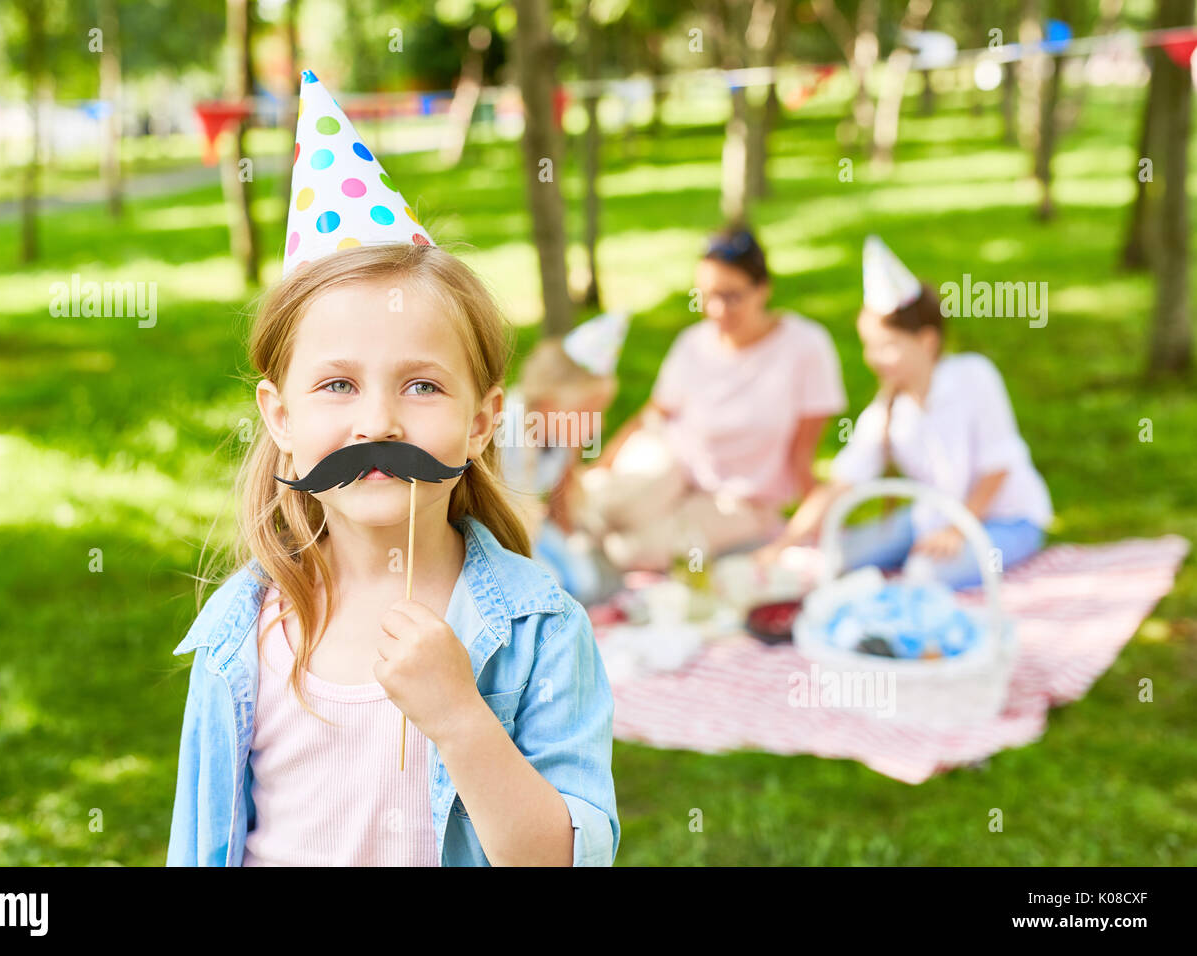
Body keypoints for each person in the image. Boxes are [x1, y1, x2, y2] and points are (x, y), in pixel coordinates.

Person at [166, 70, 619, 867]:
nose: (377, 422)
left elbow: (564, 858)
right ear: (282, 419)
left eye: (422, 385)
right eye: (338, 385)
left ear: (481, 423)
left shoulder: (540, 631)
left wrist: (458, 715)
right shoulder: (243, 642)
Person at [753, 235, 1052, 589]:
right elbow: (842, 483)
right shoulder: (889, 408)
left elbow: (997, 466)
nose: (873, 359)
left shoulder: (974, 376)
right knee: (837, 557)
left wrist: (958, 530)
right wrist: (784, 542)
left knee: (926, 573)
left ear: (927, 341)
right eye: (869, 347)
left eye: (887, 347)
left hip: (1005, 518)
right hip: (934, 514)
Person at [577, 224, 847, 572]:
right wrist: (599, 467)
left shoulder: (806, 347)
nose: (718, 309)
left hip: (740, 501)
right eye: (707, 295)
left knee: (633, 550)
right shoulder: (693, 343)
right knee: (604, 502)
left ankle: (582, 565)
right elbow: (651, 415)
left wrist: (808, 530)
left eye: (732, 296)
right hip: (674, 459)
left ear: (763, 289)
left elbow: (802, 456)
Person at [498, 336, 623, 605]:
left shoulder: (560, 435)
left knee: (585, 580)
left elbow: (561, 499)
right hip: (498, 532)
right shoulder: (504, 434)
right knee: (548, 584)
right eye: (588, 412)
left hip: (532, 526)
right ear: (549, 405)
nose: (598, 425)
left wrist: (571, 538)